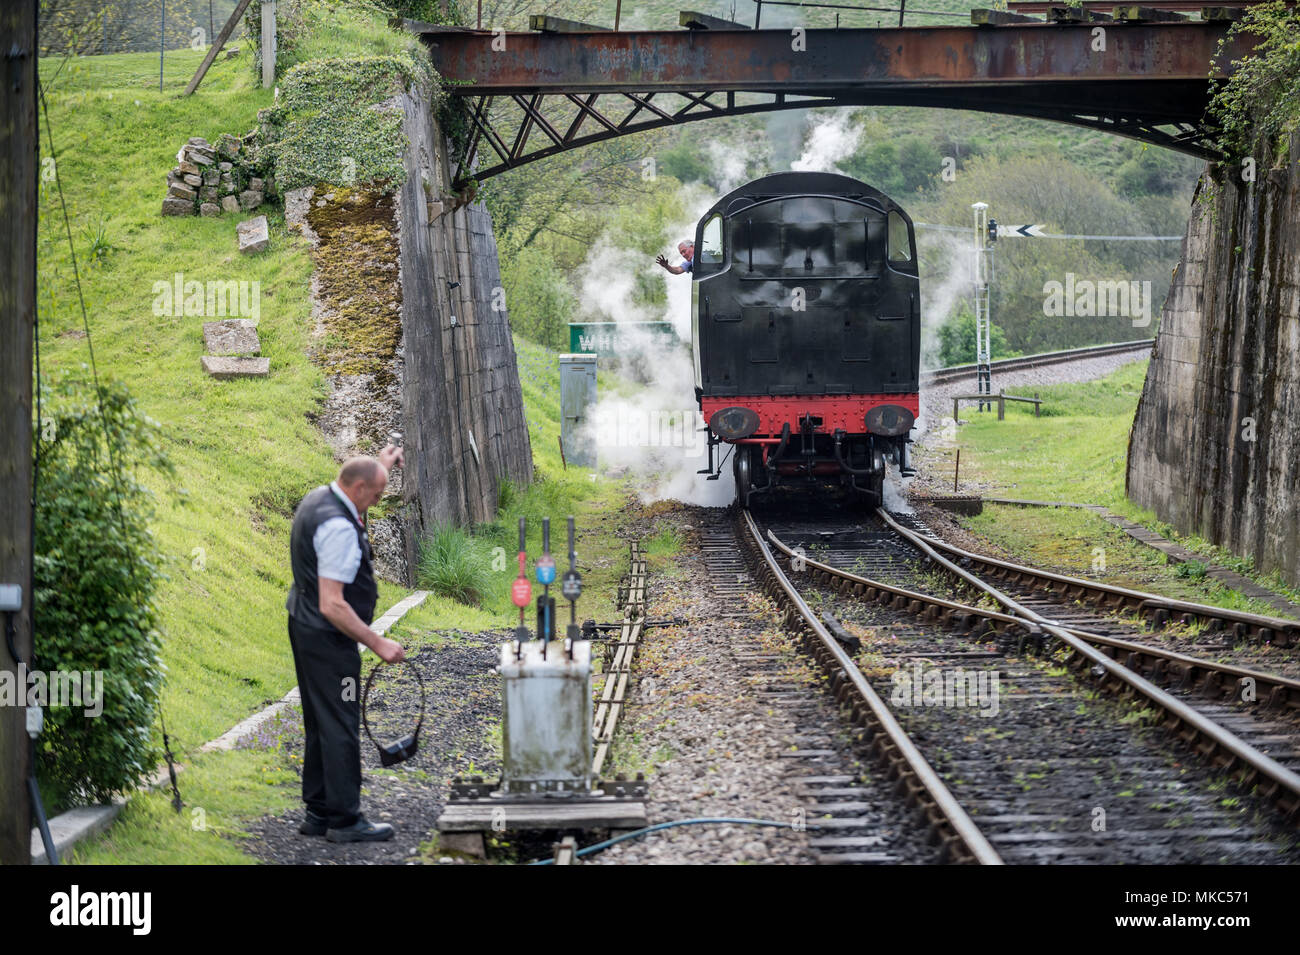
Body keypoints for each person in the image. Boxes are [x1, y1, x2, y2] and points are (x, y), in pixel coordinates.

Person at [285, 447, 406, 843]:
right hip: (328, 635)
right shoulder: (338, 528)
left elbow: (361, 490)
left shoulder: (319, 497)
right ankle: (344, 819)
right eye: (375, 495)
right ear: (357, 487)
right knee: (340, 722)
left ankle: (318, 812)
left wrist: (381, 469)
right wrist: (377, 643)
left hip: (303, 625)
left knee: (320, 719)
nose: (377, 502)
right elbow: (333, 603)